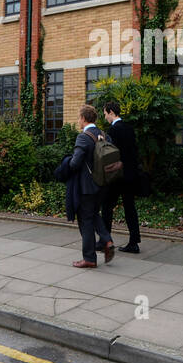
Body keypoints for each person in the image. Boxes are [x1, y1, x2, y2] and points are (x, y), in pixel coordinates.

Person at [65, 104, 114, 269]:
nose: (78, 121)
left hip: (87, 186)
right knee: (93, 214)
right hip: (103, 184)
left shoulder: (83, 137)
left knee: (85, 220)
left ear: (84, 118)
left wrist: (69, 162)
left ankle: (89, 258)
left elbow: (75, 162)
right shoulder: (104, 135)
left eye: (79, 118)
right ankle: (107, 240)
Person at [99, 100, 141, 254]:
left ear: (111, 112)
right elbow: (134, 151)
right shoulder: (129, 128)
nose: (105, 118)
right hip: (130, 175)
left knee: (107, 206)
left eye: (105, 114)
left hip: (117, 177)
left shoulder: (114, 130)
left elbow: (110, 154)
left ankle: (105, 240)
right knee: (130, 208)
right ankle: (134, 242)